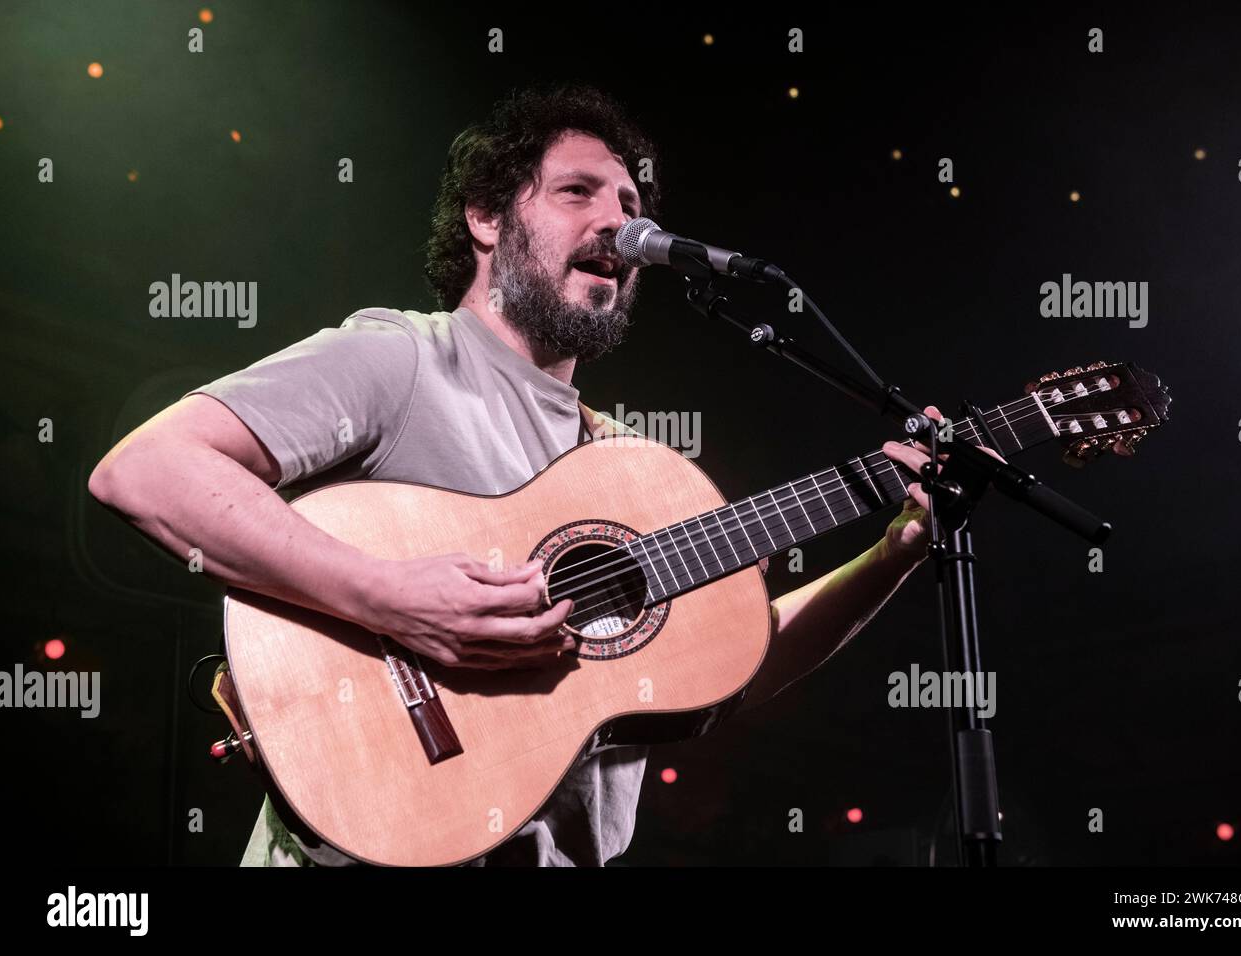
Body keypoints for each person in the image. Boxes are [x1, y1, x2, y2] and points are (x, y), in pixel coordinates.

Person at [88, 83, 948, 867]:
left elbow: (734, 668)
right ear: (486, 218)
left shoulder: (631, 469)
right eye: (578, 192)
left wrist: (894, 554)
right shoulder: (405, 359)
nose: (619, 224)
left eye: (632, 206)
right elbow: (147, 471)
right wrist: (388, 597)